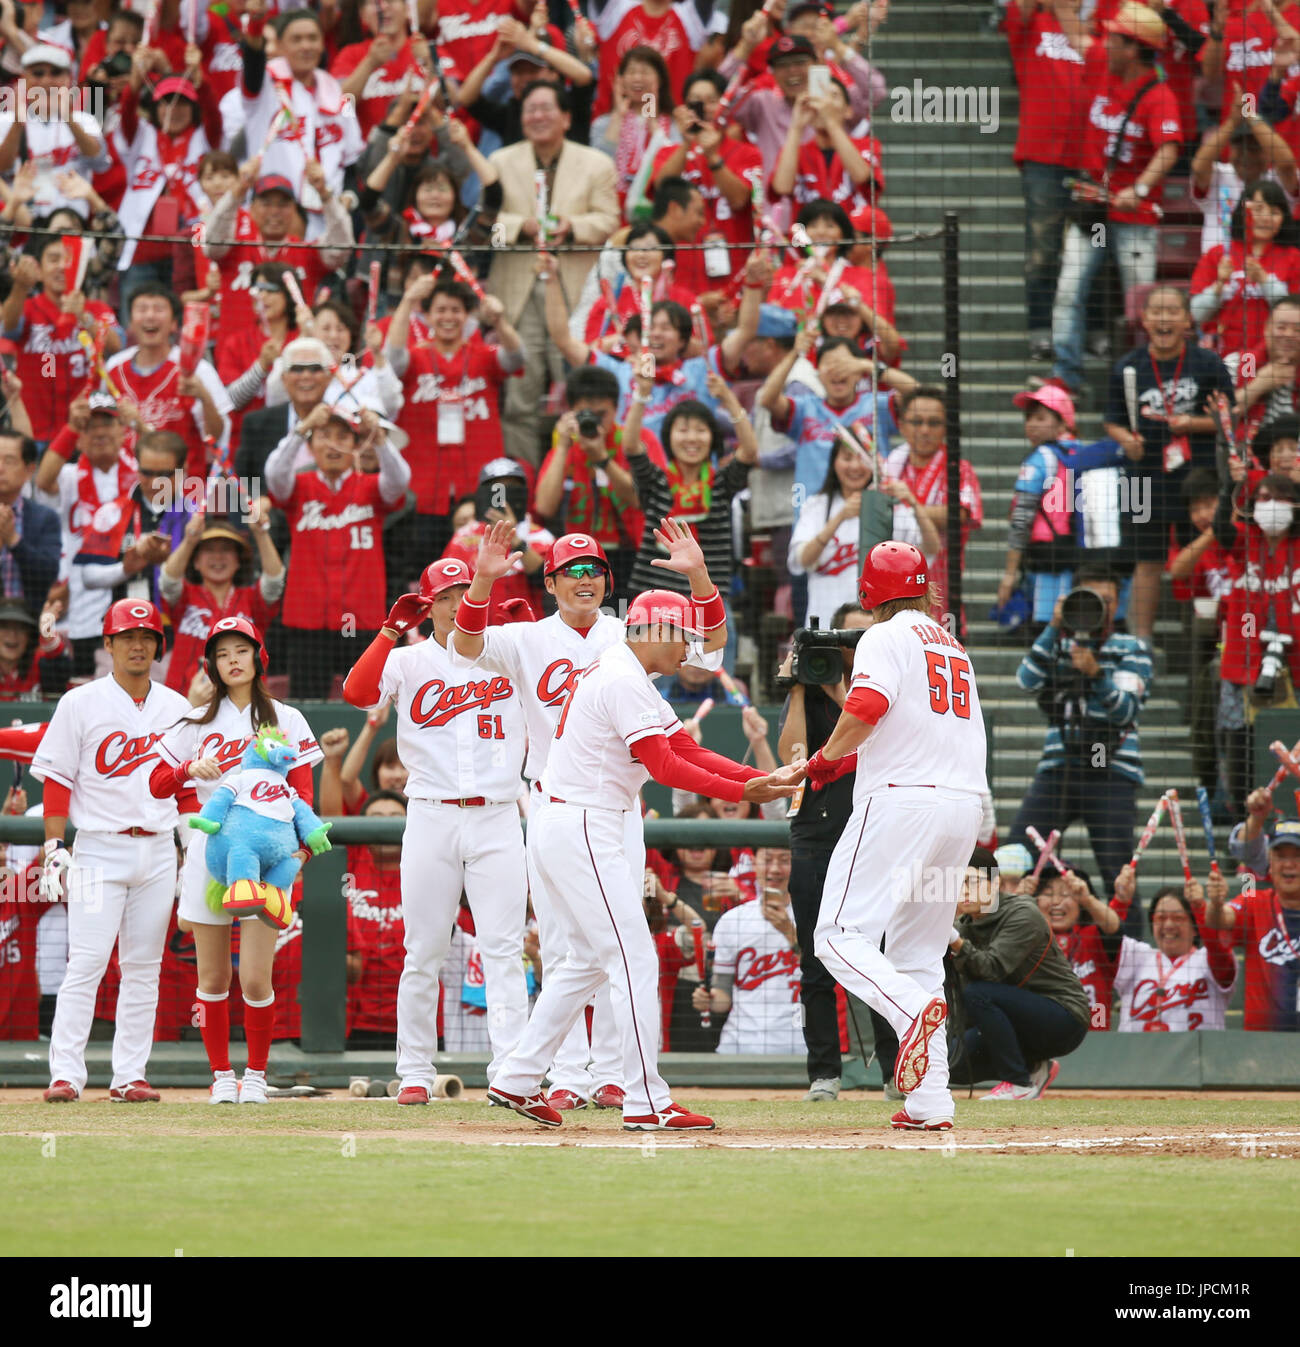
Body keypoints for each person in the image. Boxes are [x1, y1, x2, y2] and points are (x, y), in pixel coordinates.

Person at [485, 587, 798, 1130]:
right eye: (682, 635)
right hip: (584, 822)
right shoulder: (622, 676)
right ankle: (645, 1099)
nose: (689, 650)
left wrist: (760, 779)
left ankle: (516, 1077)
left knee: (585, 961)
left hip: (573, 821)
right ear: (654, 631)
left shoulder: (629, 674)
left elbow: (688, 749)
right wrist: (747, 794)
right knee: (634, 960)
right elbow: (665, 768)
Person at [452, 519, 729, 1110]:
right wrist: (481, 582)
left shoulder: (623, 634)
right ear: (549, 582)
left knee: (599, 949)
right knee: (583, 945)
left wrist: (700, 576)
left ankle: (591, 1073)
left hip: (615, 803)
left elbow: (709, 648)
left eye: (594, 571)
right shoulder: (527, 637)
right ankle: (579, 1077)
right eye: (571, 570)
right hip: (556, 799)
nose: (584, 578)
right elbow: (465, 645)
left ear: (607, 582)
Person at [800, 541, 990, 1132]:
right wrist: (839, 760)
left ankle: (911, 1014)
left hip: (904, 804)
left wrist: (823, 760)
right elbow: (912, 730)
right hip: (962, 809)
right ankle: (931, 1103)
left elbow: (866, 706)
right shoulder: (952, 645)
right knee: (916, 954)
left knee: (834, 935)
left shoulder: (882, 637)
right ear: (924, 587)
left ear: (869, 595)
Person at [341, 558, 531, 1103]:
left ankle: (510, 1071)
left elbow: (554, 681)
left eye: (463, 593)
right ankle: (416, 1069)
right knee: (423, 948)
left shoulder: (507, 650)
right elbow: (358, 694)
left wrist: (530, 620)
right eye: (443, 596)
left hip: (497, 813)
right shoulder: (408, 659)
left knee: (502, 947)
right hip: (430, 812)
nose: (454, 605)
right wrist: (385, 631)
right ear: (427, 606)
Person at [148, 616, 322, 1103]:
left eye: (240, 651)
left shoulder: (287, 719)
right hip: (211, 853)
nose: (232, 660)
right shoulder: (196, 721)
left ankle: (258, 1075)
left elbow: (304, 792)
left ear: (257, 657)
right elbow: (156, 784)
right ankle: (222, 1074)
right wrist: (187, 767)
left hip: (269, 855)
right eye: (222, 654)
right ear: (212, 665)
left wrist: (301, 850)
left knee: (255, 976)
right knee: (214, 976)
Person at [32, 599, 192, 1103]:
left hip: (160, 848)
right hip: (100, 849)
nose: (138, 644)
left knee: (145, 967)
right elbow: (58, 779)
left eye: (147, 637)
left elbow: (187, 789)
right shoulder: (79, 702)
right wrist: (55, 844)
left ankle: (129, 1075)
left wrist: (193, 850)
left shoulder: (177, 707)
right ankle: (66, 1074)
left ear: (158, 647)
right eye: (127, 636)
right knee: (87, 962)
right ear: (108, 644)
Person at [1048, 3, 1180, 397]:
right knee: (1069, 291)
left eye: (1114, 39)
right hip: (1093, 210)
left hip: (1135, 216)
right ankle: (1066, 376)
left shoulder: (1160, 95)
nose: (1104, 44)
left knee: (1142, 307)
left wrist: (1137, 189)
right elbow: (1073, 32)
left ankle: (1144, 382)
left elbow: (1169, 149)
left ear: (1133, 48)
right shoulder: (1099, 67)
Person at [487, 81, 619, 464]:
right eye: (530, 109)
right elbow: (486, 228)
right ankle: (524, 487)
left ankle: (581, 473)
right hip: (519, 291)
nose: (538, 116)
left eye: (547, 109)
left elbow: (611, 221)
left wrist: (573, 227)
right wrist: (519, 227)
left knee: (576, 389)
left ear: (566, 118)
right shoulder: (500, 162)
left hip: (575, 291)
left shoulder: (597, 163)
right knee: (520, 396)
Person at [777, 600, 876, 1102]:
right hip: (815, 831)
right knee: (815, 958)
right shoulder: (812, 685)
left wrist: (839, 689)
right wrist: (800, 685)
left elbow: (871, 735)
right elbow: (791, 757)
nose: (852, 650)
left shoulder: (883, 685)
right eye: (845, 641)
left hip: (871, 831)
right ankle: (824, 1074)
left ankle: (900, 1071)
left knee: (880, 952)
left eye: (862, 639)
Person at [1011, 561, 1152, 901]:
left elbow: (1125, 711)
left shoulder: (1131, 649)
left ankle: (1124, 950)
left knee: (1118, 873)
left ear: (1117, 604)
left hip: (1111, 770)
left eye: (1105, 599)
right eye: (1089, 597)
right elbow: (1025, 681)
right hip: (1059, 766)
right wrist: (1053, 627)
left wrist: (1096, 674)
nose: (1097, 607)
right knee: (1014, 856)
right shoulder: (1058, 643)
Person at [1102, 284, 1231, 644]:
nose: (1163, 318)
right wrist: (1126, 440)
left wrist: (1193, 425)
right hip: (1140, 480)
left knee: (1205, 558)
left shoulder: (1208, 364)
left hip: (1198, 478)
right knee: (1146, 561)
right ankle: (1140, 643)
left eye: (1172, 311)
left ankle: (1208, 640)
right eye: (1156, 311)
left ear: (1188, 319)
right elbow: (1111, 420)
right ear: (1143, 319)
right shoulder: (1126, 367)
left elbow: (1228, 418)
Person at [263, 400, 412, 699]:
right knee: (308, 704)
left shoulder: (371, 487)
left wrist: (380, 441)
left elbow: (400, 481)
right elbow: (274, 476)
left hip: (361, 618)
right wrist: (301, 429)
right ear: (312, 445)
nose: (333, 445)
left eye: (342, 437)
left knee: (366, 698)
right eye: (323, 435)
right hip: (308, 619)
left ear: (356, 446)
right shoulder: (298, 486)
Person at [385, 274, 526, 575]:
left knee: (474, 572)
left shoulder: (483, 357)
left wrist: (499, 321)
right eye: (441, 310)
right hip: (423, 491)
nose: (448, 317)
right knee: (426, 574)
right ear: (427, 315)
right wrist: (408, 301)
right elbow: (391, 360)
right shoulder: (416, 357)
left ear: (468, 315)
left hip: (476, 489)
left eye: (456, 310)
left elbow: (515, 357)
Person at [948, 847, 1091, 1099]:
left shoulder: (1023, 913)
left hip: (1064, 1016)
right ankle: (1035, 1067)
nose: (964, 891)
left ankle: (1018, 1084)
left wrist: (956, 942)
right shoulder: (964, 926)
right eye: (957, 884)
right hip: (1016, 1019)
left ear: (995, 883)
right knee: (953, 1064)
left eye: (971, 881)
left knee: (979, 993)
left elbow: (991, 969)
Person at [534, 364, 665, 605]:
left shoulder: (638, 440)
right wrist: (562, 447)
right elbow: (544, 506)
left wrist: (603, 460)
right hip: (577, 560)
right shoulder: (566, 446)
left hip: (633, 559)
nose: (595, 422)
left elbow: (643, 499)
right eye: (587, 414)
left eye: (601, 414)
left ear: (616, 408)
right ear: (571, 411)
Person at [623, 371, 756, 605]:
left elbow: (749, 451)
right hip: (654, 600)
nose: (692, 438)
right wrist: (642, 394)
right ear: (668, 437)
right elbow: (631, 447)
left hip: (708, 599)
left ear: (713, 439)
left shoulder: (720, 484)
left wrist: (727, 397)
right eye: (683, 430)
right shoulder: (656, 481)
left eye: (701, 430)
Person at [1211, 470, 1300, 817]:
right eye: (1263, 498)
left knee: (1288, 762)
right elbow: (1220, 524)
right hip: (1242, 667)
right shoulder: (1243, 540)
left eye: (1279, 498)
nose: (1272, 506)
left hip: (1294, 671)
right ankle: (1244, 835)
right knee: (1239, 760)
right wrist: (1236, 480)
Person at [1004, 0, 1088, 363]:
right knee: (1043, 248)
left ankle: (1094, 330)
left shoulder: (1096, 29)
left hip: (1091, 156)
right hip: (1042, 156)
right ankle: (1040, 330)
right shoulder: (1029, 23)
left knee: (1093, 248)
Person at [1, 236, 121, 445]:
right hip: (33, 433)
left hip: (84, 436)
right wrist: (20, 287)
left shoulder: (96, 309)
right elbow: (8, 327)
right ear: (39, 269)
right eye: (53, 259)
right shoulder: (27, 307)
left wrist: (83, 316)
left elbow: (116, 345)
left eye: (68, 260)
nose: (61, 267)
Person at [882, 386, 984, 629]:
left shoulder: (959, 469)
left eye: (934, 422)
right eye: (917, 422)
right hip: (891, 590)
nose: (925, 430)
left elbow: (958, 514)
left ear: (945, 427)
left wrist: (904, 507)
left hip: (940, 591)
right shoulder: (890, 467)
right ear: (902, 426)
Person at [159, 513, 285, 696]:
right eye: (209, 550)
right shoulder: (185, 597)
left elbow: (274, 581)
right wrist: (189, 541)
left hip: (245, 704)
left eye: (226, 549)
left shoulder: (252, 599)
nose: (218, 557)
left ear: (238, 561)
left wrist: (261, 534)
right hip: (186, 701)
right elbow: (169, 581)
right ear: (195, 561)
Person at [694, 851, 804, 1054]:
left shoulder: (812, 915)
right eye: (767, 860)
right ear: (754, 864)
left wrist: (790, 934)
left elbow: (824, 978)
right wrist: (708, 999)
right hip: (739, 1043)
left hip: (798, 1044)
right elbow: (723, 995)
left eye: (784, 861)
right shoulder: (732, 919)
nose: (774, 869)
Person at [1110, 865, 1236, 1031]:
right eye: (1161, 917)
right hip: (1137, 1054)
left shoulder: (1206, 958)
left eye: (1178, 918)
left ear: (1194, 925)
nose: (1168, 925)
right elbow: (1103, 941)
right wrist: (1120, 901)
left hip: (1198, 1054)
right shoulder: (1137, 956)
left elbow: (1218, 949)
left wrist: (1200, 907)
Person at [1191, 180, 1300, 364]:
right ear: (1244, 213)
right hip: (1220, 355)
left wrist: (1265, 281)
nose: (1265, 217)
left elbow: (1296, 314)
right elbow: (1197, 313)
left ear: (1283, 219)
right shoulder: (1217, 254)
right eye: (1257, 209)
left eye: (1274, 212)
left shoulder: (1293, 258)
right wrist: (1219, 285)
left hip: (1272, 356)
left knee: (1249, 388)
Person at [1206, 817, 1300, 1031]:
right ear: (1269, 861)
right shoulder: (1254, 903)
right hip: (1262, 1047)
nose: (1288, 863)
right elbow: (1217, 919)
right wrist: (1216, 902)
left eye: (1297, 855)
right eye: (1280, 856)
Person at [441, 458, 554, 622]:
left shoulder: (540, 536)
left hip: (525, 631)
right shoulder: (464, 538)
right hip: (476, 631)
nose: (503, 497)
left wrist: (514, 539)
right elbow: (446, 587)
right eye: (496, 489)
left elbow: (546, 580)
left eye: (511, 489)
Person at [787, 436, 873, 627]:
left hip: (873, 626)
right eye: (847, 458)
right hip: (823, 621)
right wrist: (840, 516)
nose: (855, 466)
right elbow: (802, 560)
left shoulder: (887, 506)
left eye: (862, 458)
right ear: (834, 461)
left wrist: (914, 504)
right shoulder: (815, 506)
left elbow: (928, 550)